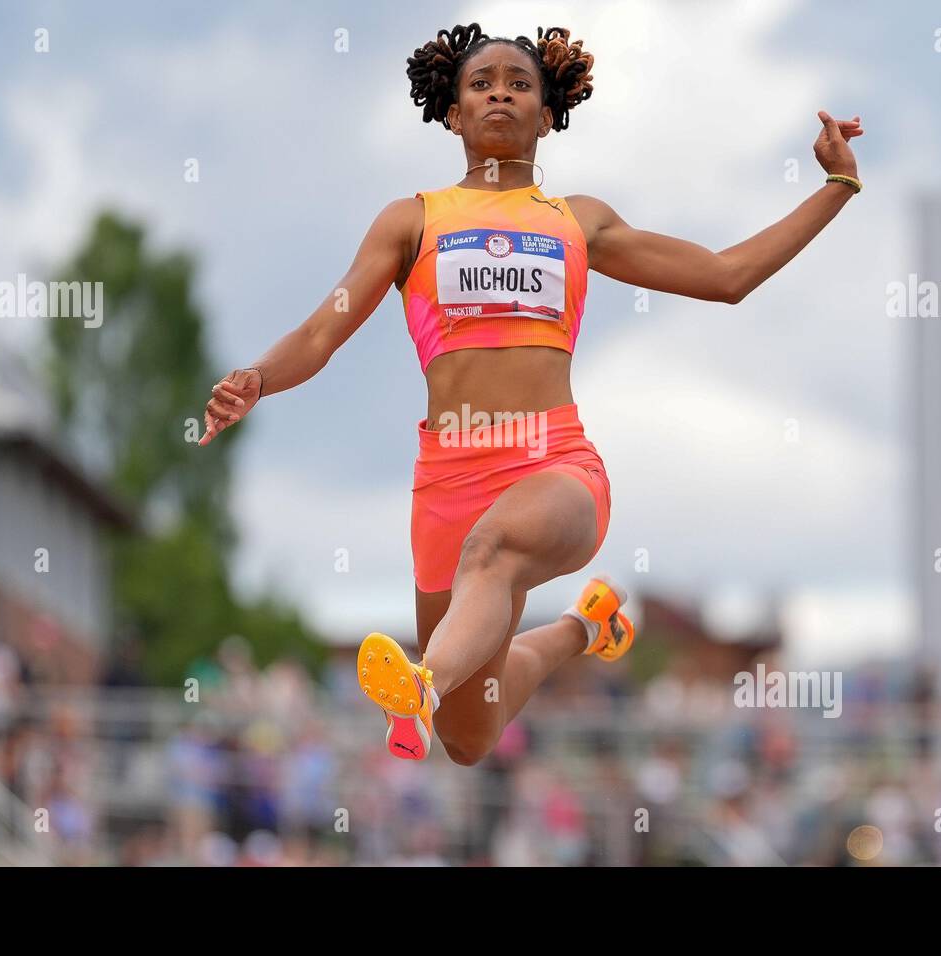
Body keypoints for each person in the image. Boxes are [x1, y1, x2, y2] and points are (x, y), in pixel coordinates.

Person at [198, 24, 863, 764]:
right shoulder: (411, 221)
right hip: (445, 481)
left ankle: (422, 683)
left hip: (553, 466)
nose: (501, 94)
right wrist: (258, 377)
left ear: (546, 115)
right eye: (482, 83)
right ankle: (585, 627)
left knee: (487, 560)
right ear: (452, 112)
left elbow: (726, 276)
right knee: (467, 736)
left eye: (519, 83)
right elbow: (323, 332)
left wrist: (836, 189)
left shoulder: (577, 221)